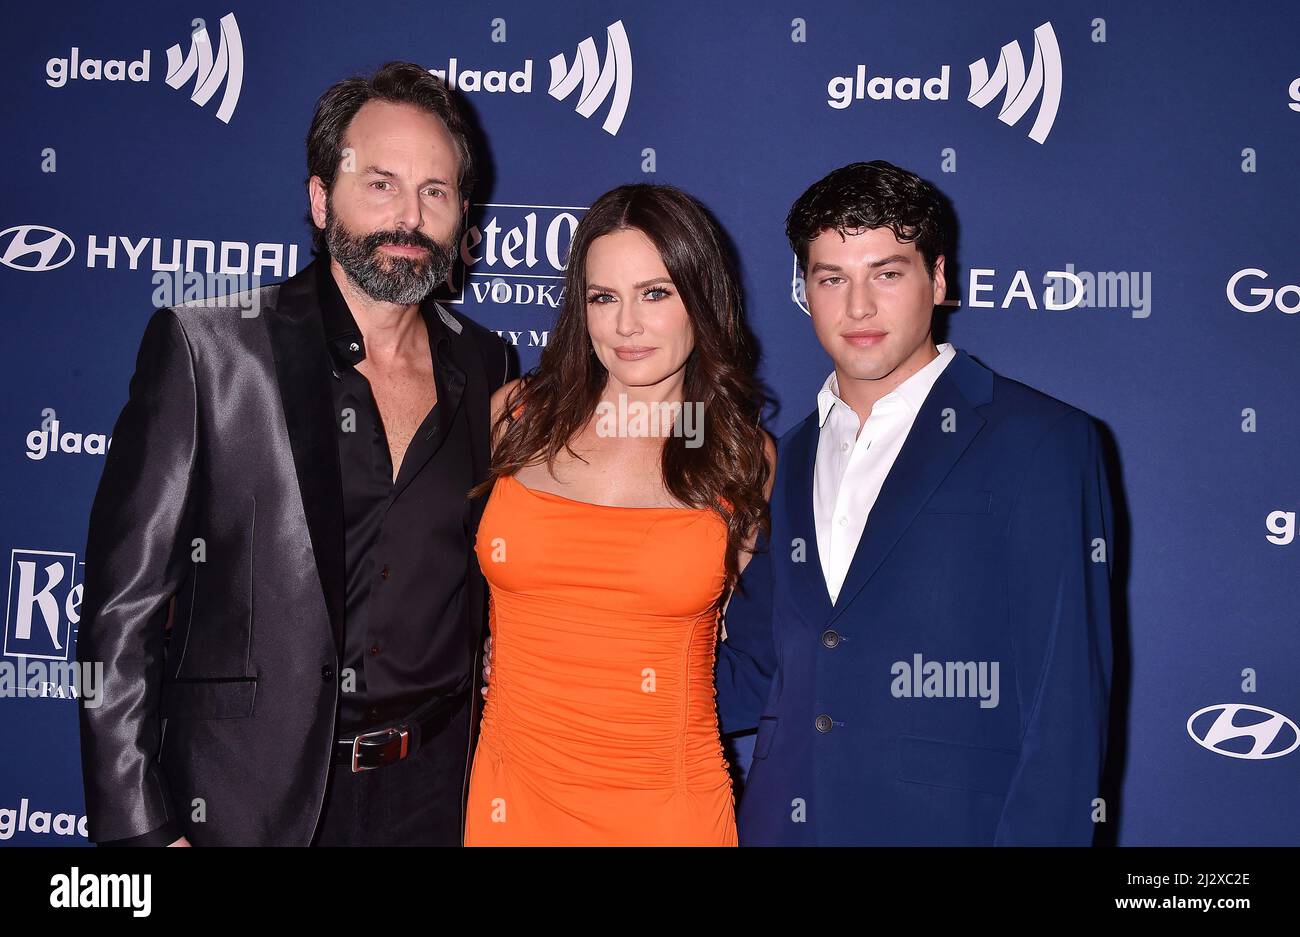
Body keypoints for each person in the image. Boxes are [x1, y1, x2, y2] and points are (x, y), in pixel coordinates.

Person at [76, 62, 509, 846]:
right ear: (320, 198)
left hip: (438, 794)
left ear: (461, 215)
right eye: (380, 183)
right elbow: (119, 617)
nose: (409, 218)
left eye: (435, 192)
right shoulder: (210, 351)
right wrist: (145, 833)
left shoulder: (487, 366)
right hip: (248, 803)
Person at [717, 160, 1115, 845]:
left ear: (938, 278)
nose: (858, 306)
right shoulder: (787, 456)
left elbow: (1065, 706)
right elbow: (754, 665)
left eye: (887, 273)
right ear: (804, 291)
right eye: (832, 278)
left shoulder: (1042, 441)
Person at [464, 183, 775, 845]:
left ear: (702, 297)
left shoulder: (741, 458)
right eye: (604, 297)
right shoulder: (516, 418)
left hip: (667, 812)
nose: (626, 325)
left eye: (655, 293)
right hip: (511, 801)